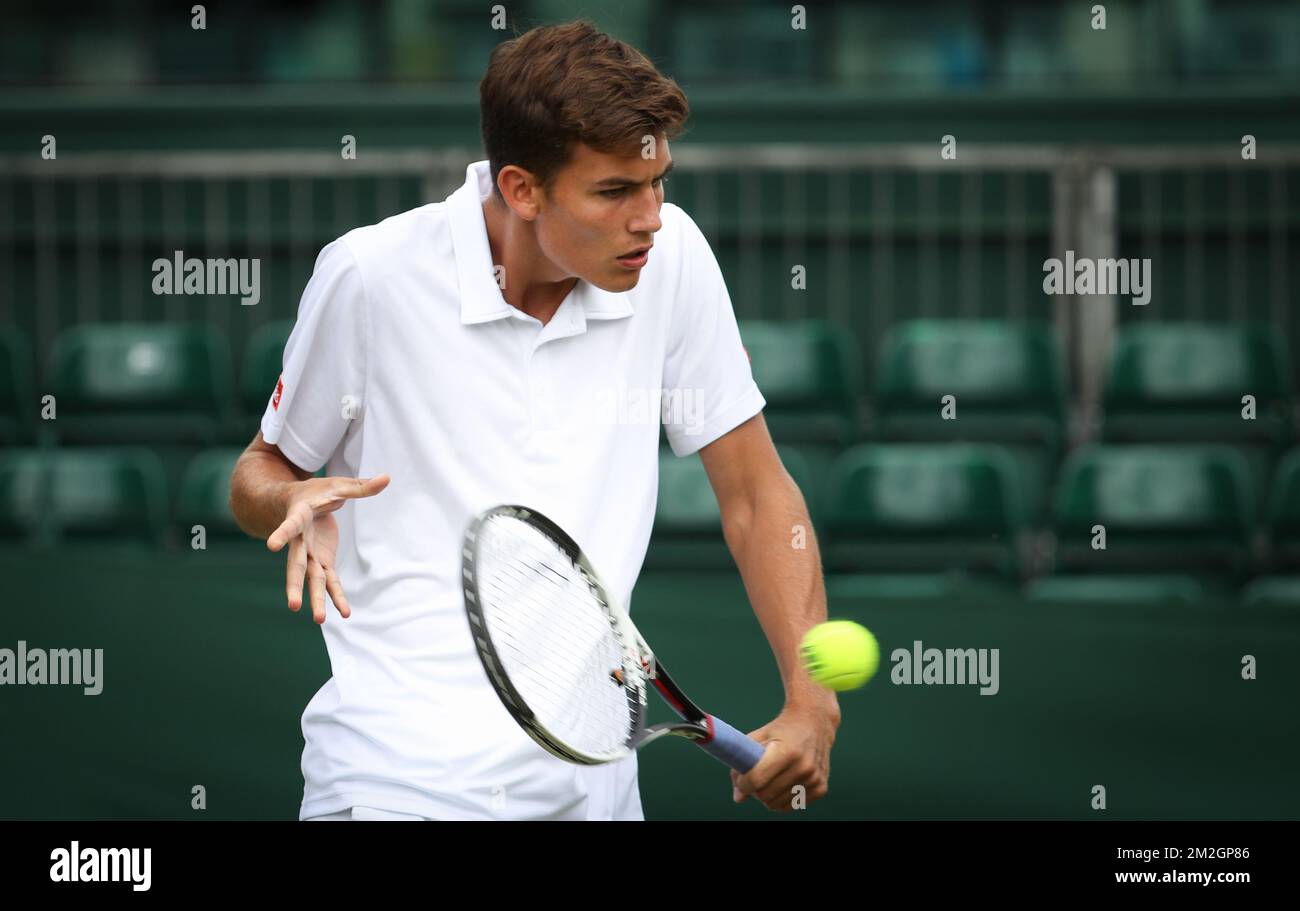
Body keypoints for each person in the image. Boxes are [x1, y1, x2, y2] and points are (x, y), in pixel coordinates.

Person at [229, 19, 839, 821]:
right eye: (616, 191)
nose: (650, 216)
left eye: (659, 182)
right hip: (398, 781)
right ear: (521, 188)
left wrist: (812, 699)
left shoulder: (672, 259)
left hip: (596, 787)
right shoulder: (370, 278)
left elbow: (759, 497)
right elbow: (259, 471)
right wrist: (286, 500)